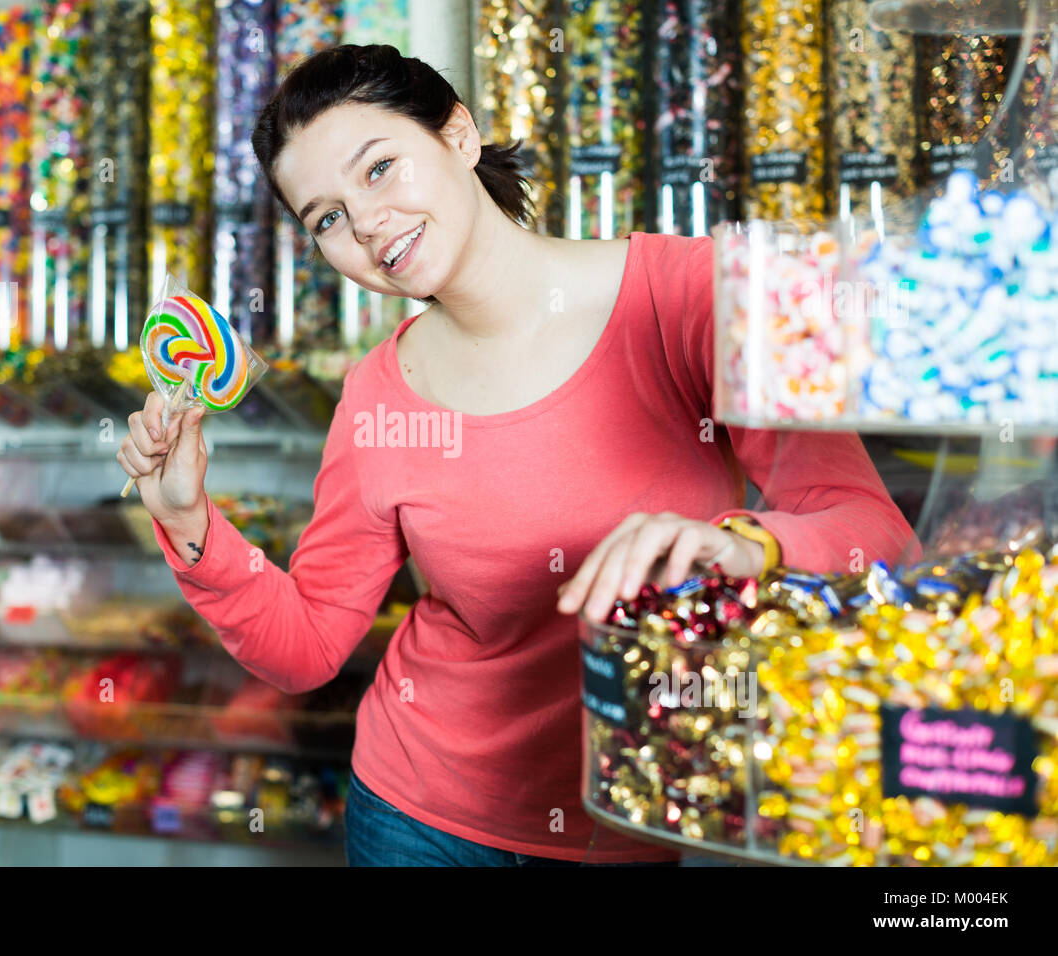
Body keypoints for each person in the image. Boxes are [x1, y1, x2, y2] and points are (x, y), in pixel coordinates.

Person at [116, 44, 920, 867]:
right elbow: (309, 645)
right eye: (325, 217)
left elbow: (873, 532)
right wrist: (186, 518)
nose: (364, 224)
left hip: (628, 816)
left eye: (381, 168)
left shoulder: (690, 296)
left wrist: (743, 547)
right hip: (416, 817)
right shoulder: (376, 397)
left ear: (458, 135)